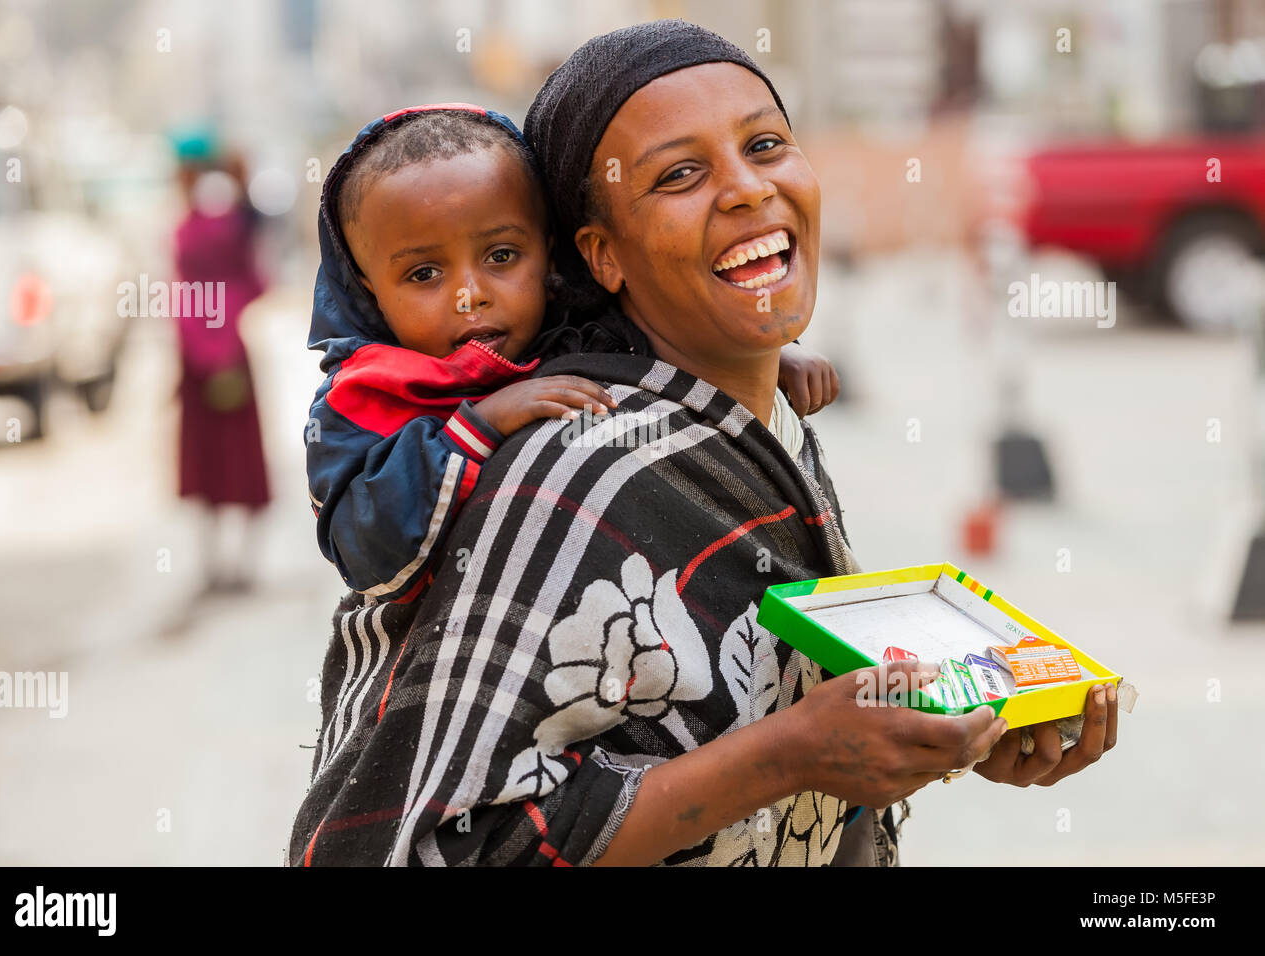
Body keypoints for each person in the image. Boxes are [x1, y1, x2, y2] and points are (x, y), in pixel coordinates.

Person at [287, 21, 1117, 868]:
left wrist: (964, 727)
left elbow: (751, 702)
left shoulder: (758, 413)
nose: (748, 190)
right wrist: (788, 755)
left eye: (766, 144)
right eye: (681, 173)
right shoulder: (574, 468)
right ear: (600, 255)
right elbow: (430, 846)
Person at [306, 103, 839, 603]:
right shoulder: (361, 401)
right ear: (367, 286)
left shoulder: (569, 327)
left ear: (549, 249)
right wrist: (478, 427)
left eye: (502, 255)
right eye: (424, 274)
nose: (471, 294)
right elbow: (365, 551)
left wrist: (759, 356)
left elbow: (659, 343)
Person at [172, 139, 271, 594]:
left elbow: (184, 297)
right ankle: (241, 566)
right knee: (242, 464)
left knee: (206, 466)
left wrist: (202, 349)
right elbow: (256, 283)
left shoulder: (186, 231)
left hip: (198, 363)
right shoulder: (234, 225)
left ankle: (212, 566)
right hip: (230, 355)